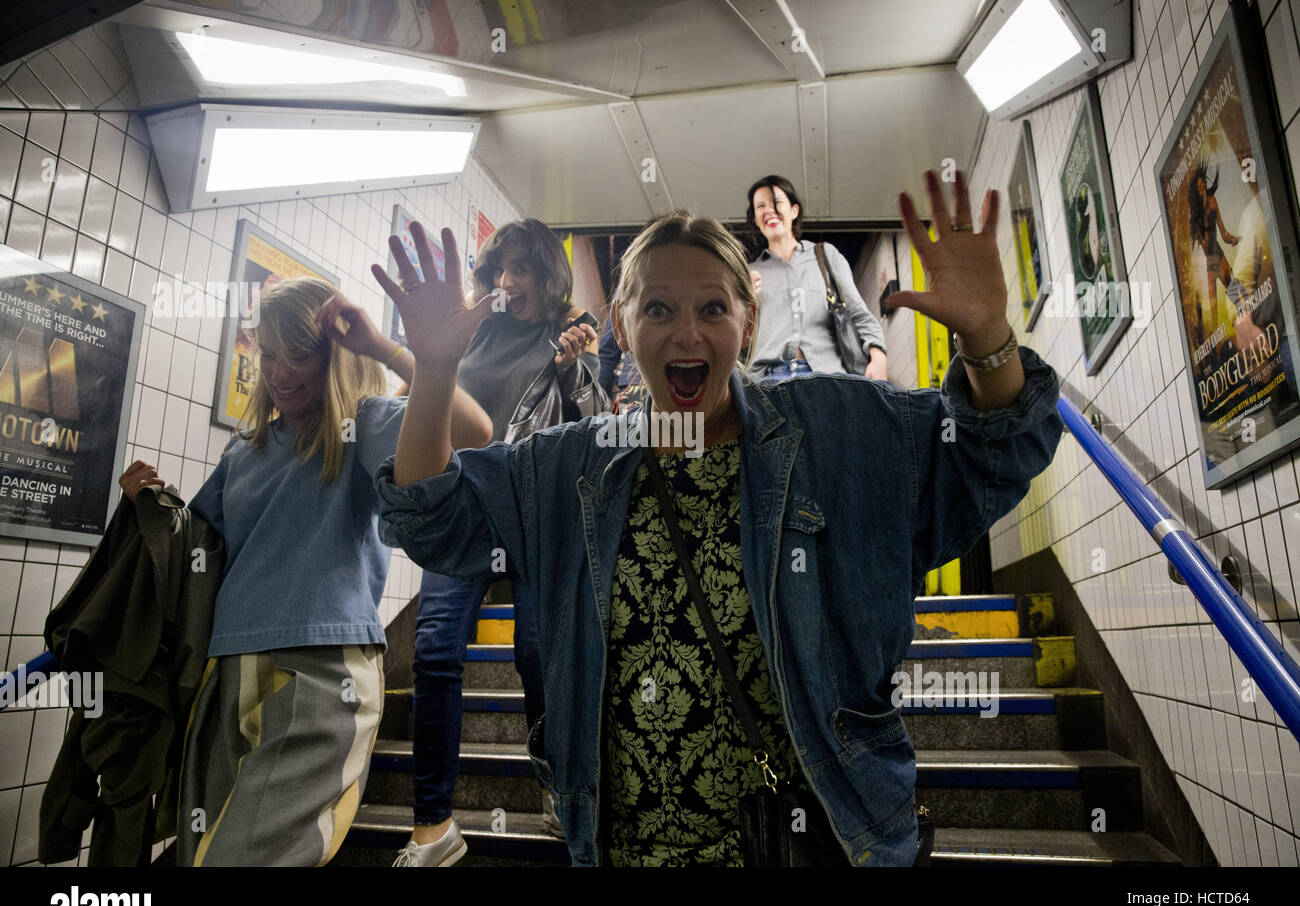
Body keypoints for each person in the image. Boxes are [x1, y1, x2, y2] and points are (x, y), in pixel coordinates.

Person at [372, 170, 1063, 866]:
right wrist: (433, 371)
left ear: (748, 322)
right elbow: (431, 520)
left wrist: (988, 337)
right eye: (658, 310)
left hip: (814, 844)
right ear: (620, 323)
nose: (686, 335)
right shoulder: (567, 469)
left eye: (711, 309)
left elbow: (992, 454)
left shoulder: (837, 431)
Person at [119, 275, 492, 866]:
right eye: (268, 353)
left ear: (336, 359)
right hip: (226, 670)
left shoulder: (365, 428)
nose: (281, 371)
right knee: (202, 852)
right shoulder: (243, 451)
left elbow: (474, 430)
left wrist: (387, 349)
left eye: (300, 353)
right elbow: (192, 549)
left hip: (323, 672)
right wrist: (145, 504)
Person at [393, 219, 602, 867]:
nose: (510, 283)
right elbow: (419, 398)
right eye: (500, 270)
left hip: (538, 506)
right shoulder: (472, 327)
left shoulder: (572, 331)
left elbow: (596, 426)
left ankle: (558, 791)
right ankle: (432, 823)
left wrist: (574, 367)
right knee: (433, 650)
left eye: (524, 270)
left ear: (548, 275)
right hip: (467, 504)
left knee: (539, 650)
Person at [746, 174, 888, 381]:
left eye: (776, 202)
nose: (769, 210)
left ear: (794, 210)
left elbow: (859, 311)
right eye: (760, 206)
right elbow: (735, 334)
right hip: (768, 383)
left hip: (828, 378)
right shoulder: (748, 273)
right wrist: (741, 298)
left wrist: (878, 358)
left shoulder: (824, 256)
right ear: (755, 220)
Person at [1188, 162, 1240, 344]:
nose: (1202, 188)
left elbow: (1223, 232)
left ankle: (1243, 323)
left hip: (1217, 252)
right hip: (1210, 261)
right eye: (1199, 187)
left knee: (1235, 292)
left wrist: (1233, 239)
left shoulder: (1212, 201)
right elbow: (1202, 245)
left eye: (1203, 185)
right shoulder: (1196, 215)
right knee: (1213, 310)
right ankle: (1217, 344)